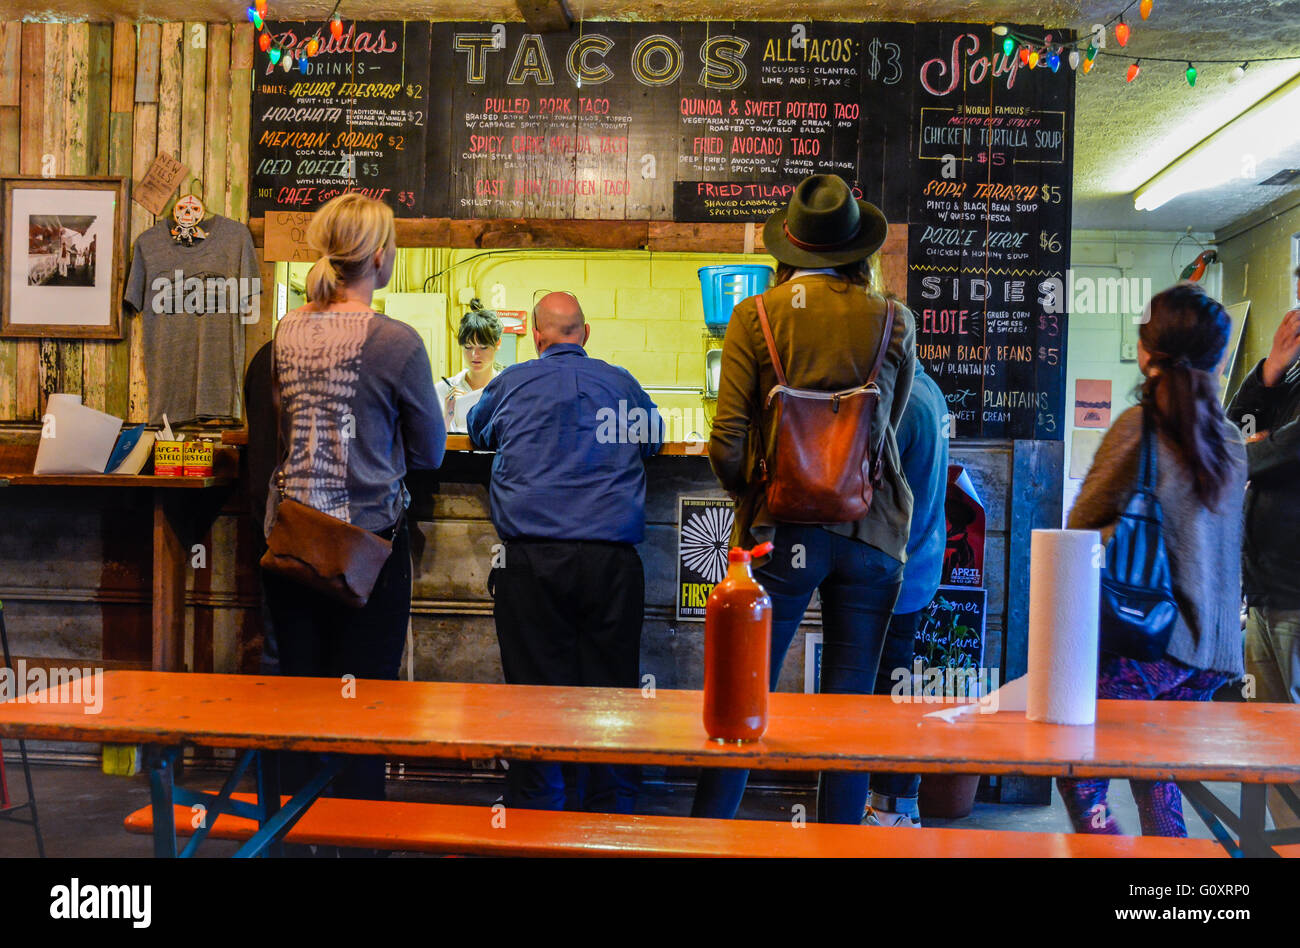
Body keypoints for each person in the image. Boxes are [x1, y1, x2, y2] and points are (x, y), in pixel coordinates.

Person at [692, 173, 917, 824]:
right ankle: (837, 843)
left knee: (742, 695)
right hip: (870, 535)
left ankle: (707, 840)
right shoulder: (892, 321)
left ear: (788, 249)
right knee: (849, 710)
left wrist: (754, 496)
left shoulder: (754, 317)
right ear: (856, 248)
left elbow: (727, 443)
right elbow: (886, 434)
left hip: (780, 531)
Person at [262, 193, 446, 806]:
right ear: (379, 256)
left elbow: (284, 426)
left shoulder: (285, 331)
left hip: (290, 545)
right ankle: (357, 834)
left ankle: (294, 839)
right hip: (365, 553)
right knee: (362, 706)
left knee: (301, 706)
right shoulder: (397, 342)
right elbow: (430, 452)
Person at [1060, 282, 1247, 837]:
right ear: (1217, 358)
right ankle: (1167, 879)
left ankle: (1112, 857)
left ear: (1147, 351)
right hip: (1214, 654)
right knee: (1152, 770)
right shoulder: (1232, 441)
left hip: (1151, 642)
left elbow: (1081, 528)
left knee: (1075, 766)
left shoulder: (1138, 429)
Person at [467, 291, 663, 813]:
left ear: (535, 337)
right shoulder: (621, 384)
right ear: (586, 332)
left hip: (530, 564)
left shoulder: (510, 382)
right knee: (613, 692)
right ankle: (611, 809)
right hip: (612, 565)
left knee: (534, 693)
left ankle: (537, 807)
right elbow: (656, 441)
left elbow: (477, 432)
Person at [1226, 264, 1300, 831]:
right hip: (1266, 587)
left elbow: (1261, 453)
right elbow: (1235, 432)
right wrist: (1270, 373)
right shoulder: (1292, 376)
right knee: (1266, 733)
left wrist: (1260, 444)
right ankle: (1281, 843)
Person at [864, 358, 949, 828]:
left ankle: (895, 808)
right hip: (918, 567)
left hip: (895, 571)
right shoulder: (929, 391)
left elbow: (871, 490)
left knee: (887, 696)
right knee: (895, 690)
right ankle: (893, 802)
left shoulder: (902, 405)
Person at [435, 302, 503, 433]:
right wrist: (448, 415)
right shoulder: (442, 390)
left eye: (483, 347)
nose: (474, 355)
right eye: (468, 347)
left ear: (497, 343)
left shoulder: (507, 390)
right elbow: (431, 444)